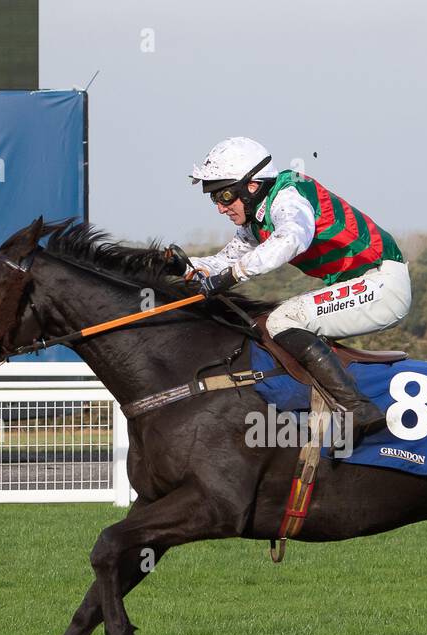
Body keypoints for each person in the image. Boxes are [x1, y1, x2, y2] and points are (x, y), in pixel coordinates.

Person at [176, 136, 412, 443]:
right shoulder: (256, 220)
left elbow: (290, 240)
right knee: (268, 322)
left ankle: (358, 408)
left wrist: (233, 276)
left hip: (383, 284)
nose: (220, 208)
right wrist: (181, 267)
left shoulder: (289, 197)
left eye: (224, 196)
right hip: (362, 284)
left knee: (281, 321)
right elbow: (222, 261)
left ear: (252, 185)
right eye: (214, 199)